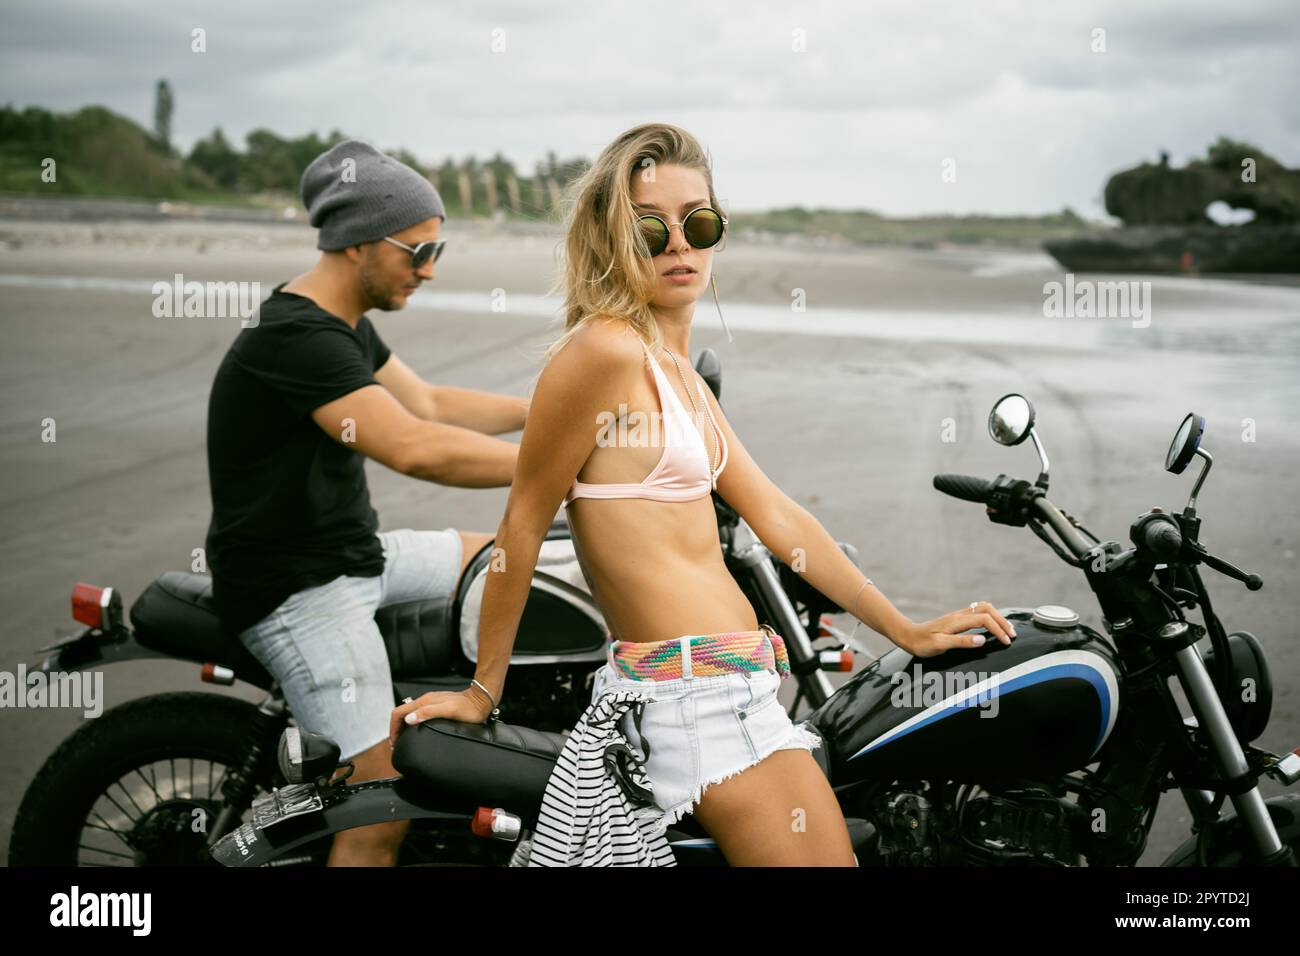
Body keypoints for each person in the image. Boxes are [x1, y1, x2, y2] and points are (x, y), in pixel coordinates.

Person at [390, 123, 1014, 866]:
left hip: (739, 688)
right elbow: (521, 525)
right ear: (613, 240)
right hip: (692, 703)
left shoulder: (675, 373)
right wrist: (482, 690)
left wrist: (902, 628)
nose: (679, 245)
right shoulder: (604, 352)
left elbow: (779, 516)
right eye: (650, 229)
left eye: (699, 223)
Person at [205, 139, 527, 866]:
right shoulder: (294, 336)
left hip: (354, 555)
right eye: (418, 250)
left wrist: (560, 415)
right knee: (379, 812)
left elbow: (433, 402)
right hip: (298, 587)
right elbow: (413, 444)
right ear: (357, 243)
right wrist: (559, 469)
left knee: (524, 563)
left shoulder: (345, 321)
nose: (431, 269)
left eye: (436, 248)